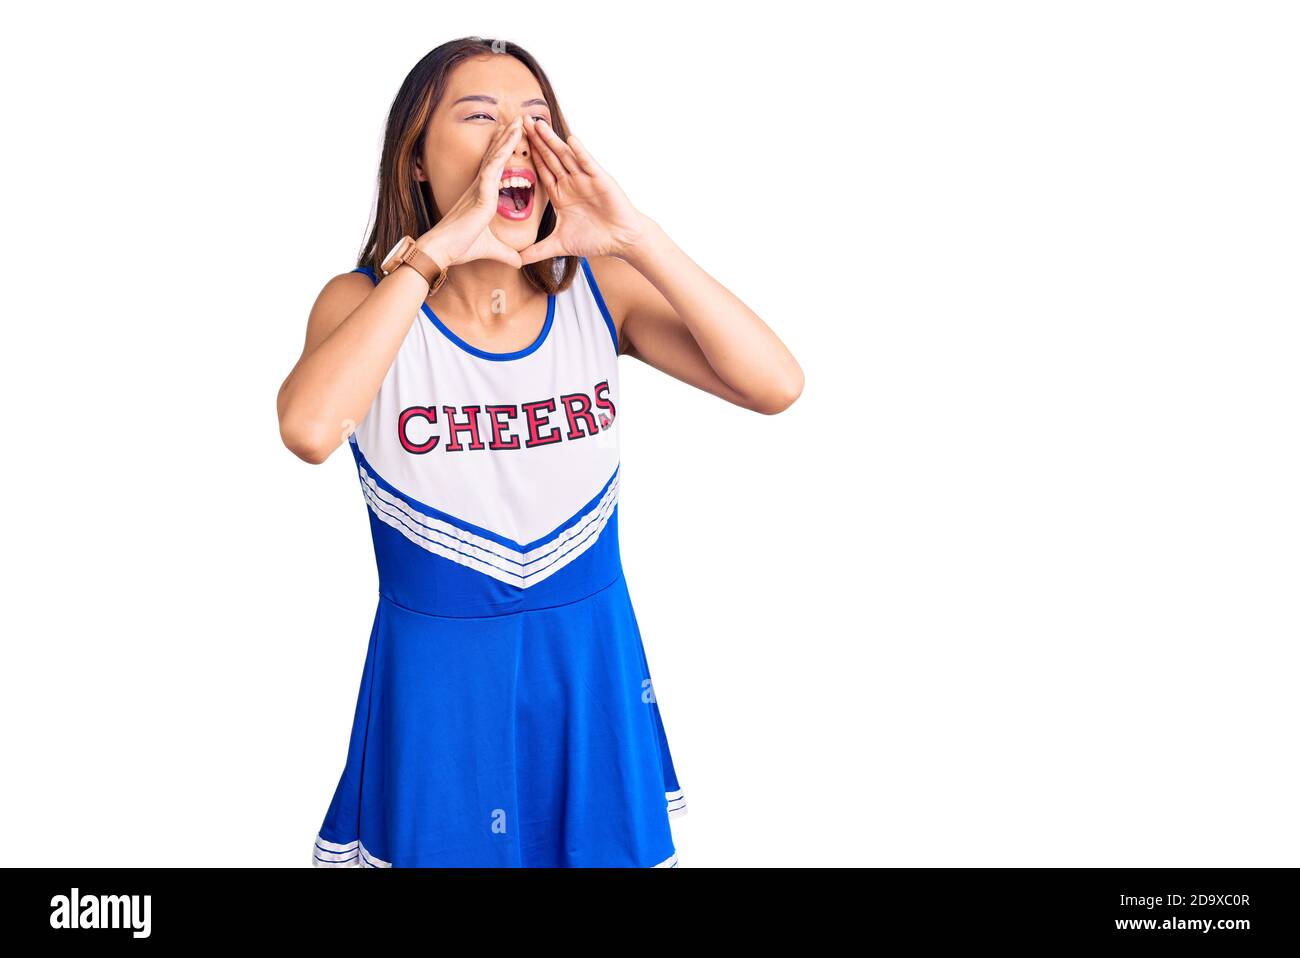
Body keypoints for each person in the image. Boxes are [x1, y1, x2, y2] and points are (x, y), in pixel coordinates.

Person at [276, 36, 803, 867]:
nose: (512, 140)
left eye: (535, 119)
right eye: (478, 117)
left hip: (589, 665)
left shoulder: (600, 289)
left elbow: (776, 383)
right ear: (415, 159)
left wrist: (637, 237)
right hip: (439, 680)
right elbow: (310, 431)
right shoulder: (362, 303)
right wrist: (434, 254)